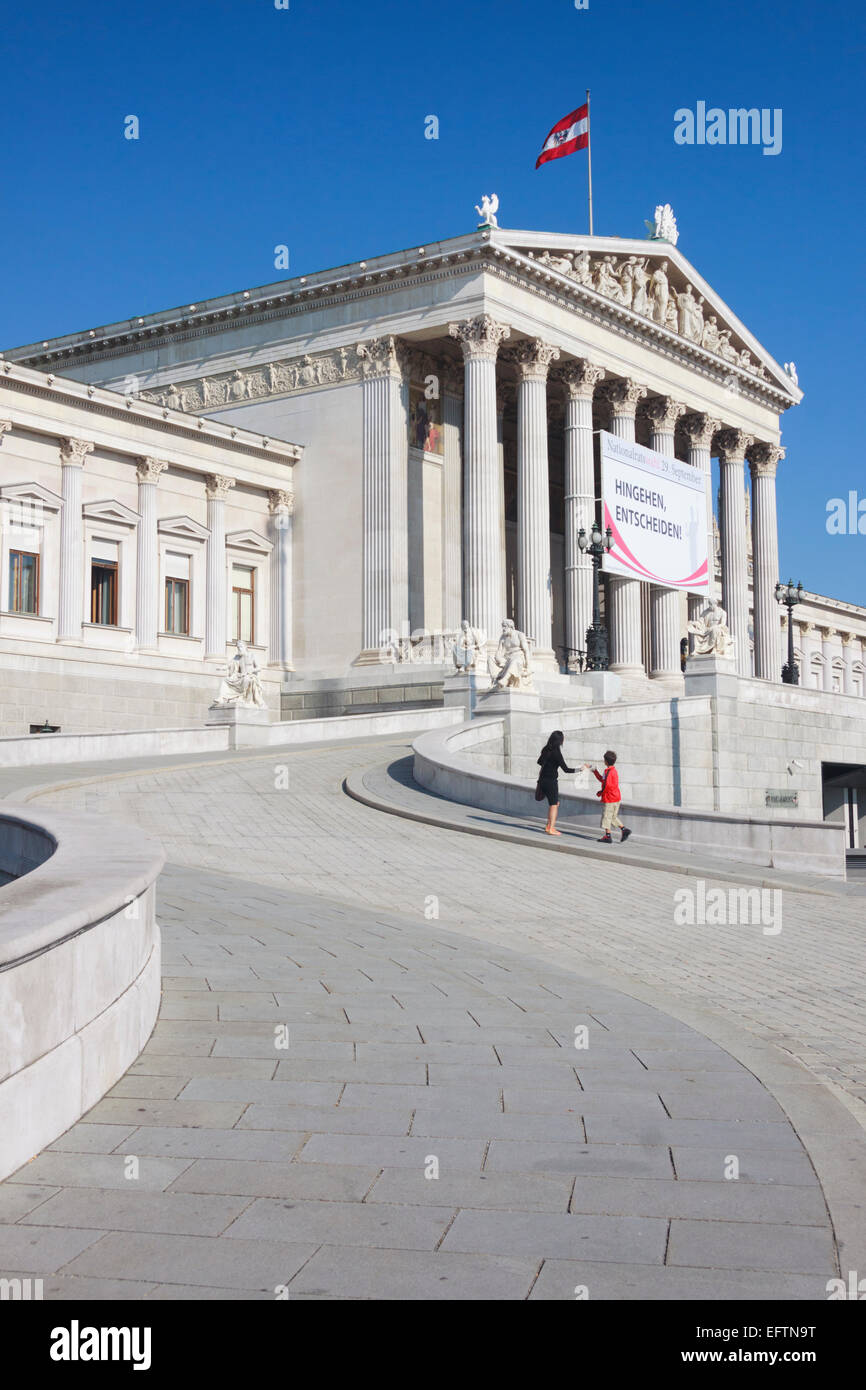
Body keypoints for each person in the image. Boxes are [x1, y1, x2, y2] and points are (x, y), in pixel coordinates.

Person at [585, 750, 631, 844]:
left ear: (605, 761)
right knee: (613, 817)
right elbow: (603, 781)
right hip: (616, 797)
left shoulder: (608, 772)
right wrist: (595, 771)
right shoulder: (612, 771)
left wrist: (601, 792)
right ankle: (624, 830)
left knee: (606, 817)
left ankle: (608, 836)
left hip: (610, 798)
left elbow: (607, 785)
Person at [536, 730, 575, 836]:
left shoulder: (546, 749)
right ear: (560, 740)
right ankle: (551, 828)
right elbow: (566, 769)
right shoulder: (557, 752)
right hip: (551, 781)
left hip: (542, 780)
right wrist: (580, 769)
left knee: (554, 803)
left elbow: (539, 762)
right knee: (554, 804)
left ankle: (548, 826)